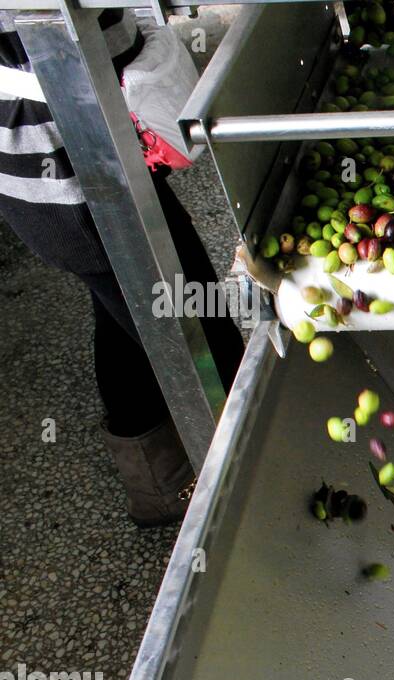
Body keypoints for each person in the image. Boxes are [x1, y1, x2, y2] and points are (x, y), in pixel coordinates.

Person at [0, 9, 244, 525]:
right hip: (78, 170)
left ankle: (156, 483)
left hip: (85, 155)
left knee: (119, 310)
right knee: (199, 333)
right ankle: (251, 486)